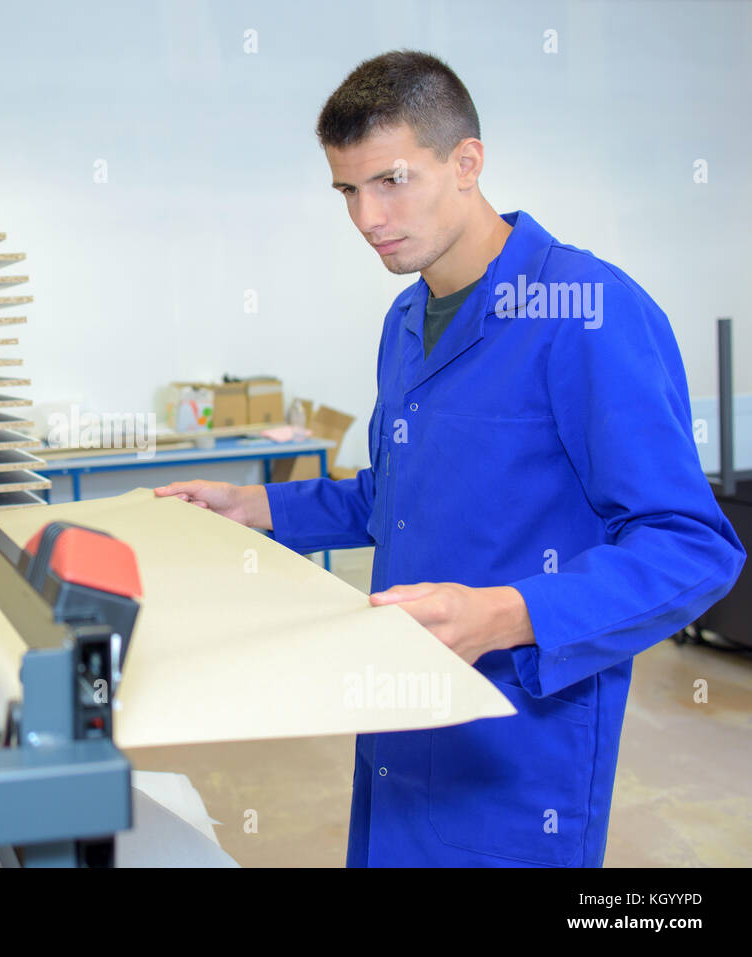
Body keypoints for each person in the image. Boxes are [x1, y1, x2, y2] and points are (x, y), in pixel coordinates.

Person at [154, 50, 745, 867]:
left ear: (466, 163)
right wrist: (254, 508)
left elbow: (691, 544)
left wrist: (507, 614)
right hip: (398, 720)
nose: (367, 217)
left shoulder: (587, 312)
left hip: (520, 745)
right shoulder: (406, 320)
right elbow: (394, 494)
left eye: (391, 181)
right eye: (348, 191)